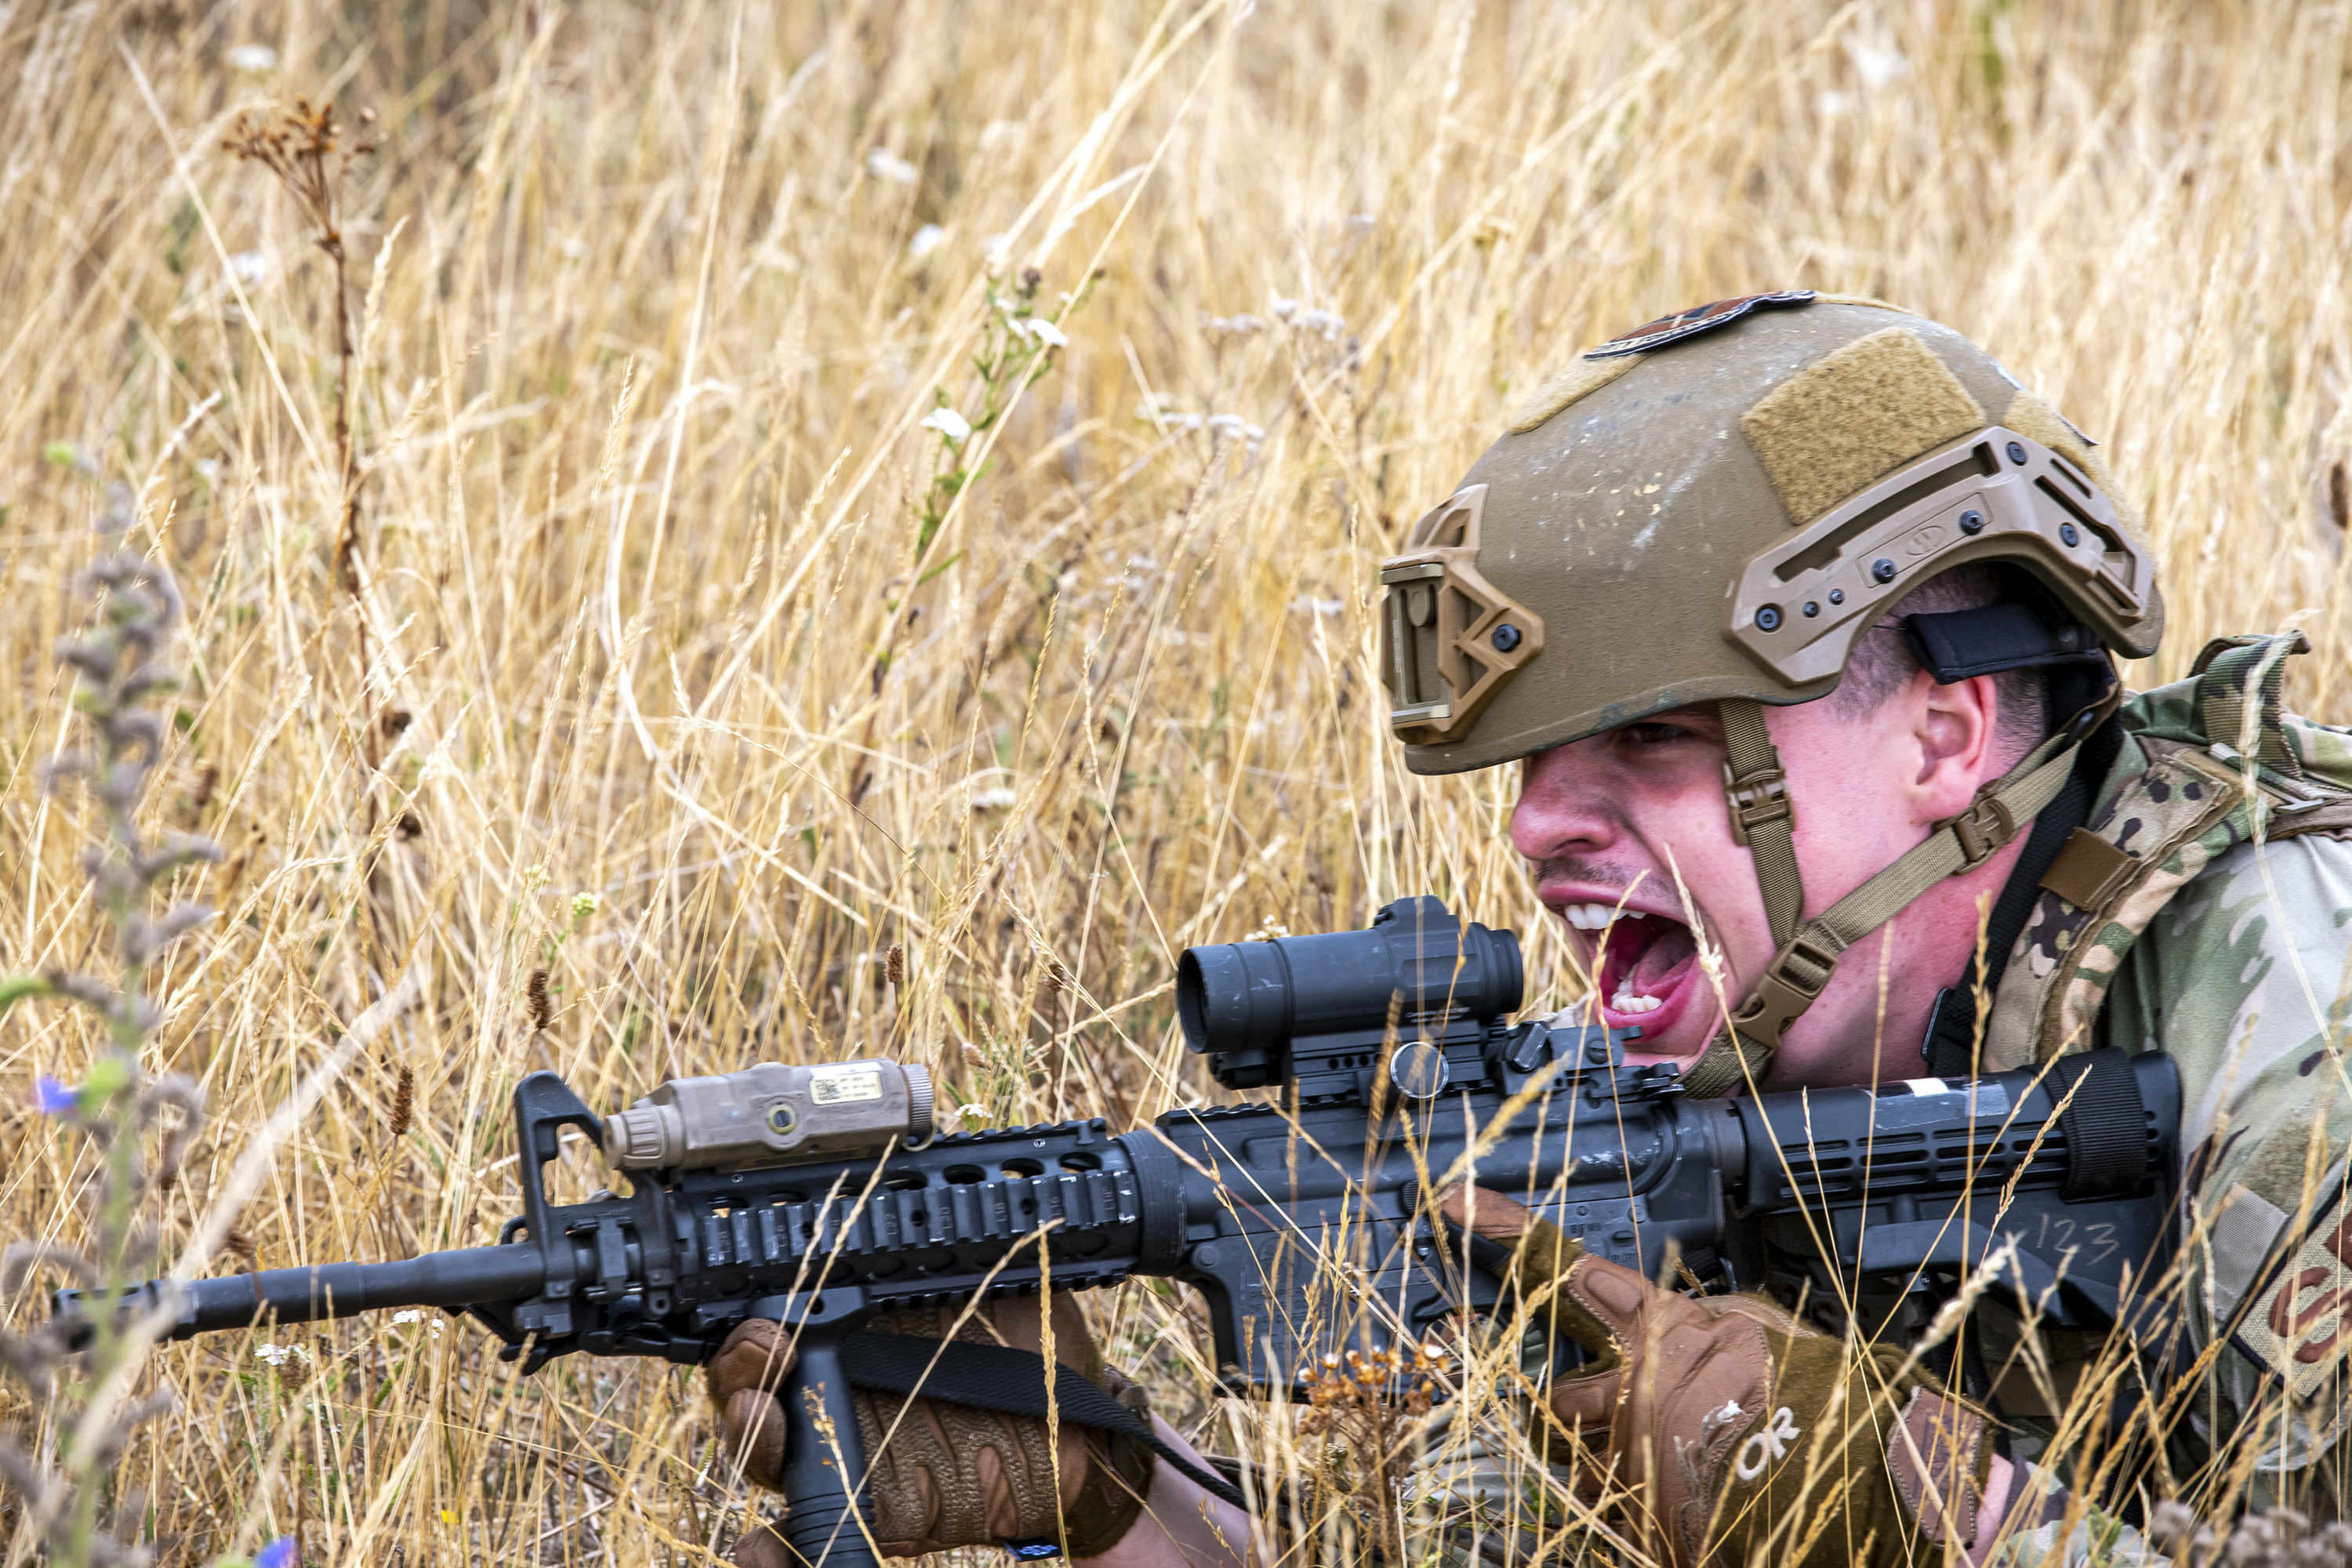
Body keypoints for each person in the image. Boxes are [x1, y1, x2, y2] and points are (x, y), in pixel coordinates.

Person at [714, 295, 2352, 1566]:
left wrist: (1906, 1505)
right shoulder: (1662, 1118)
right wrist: (1105, 1485)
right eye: (1527, 768)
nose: (1535, 830)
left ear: (1944, 736)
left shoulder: (2303, 1028)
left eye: (1652, 741)